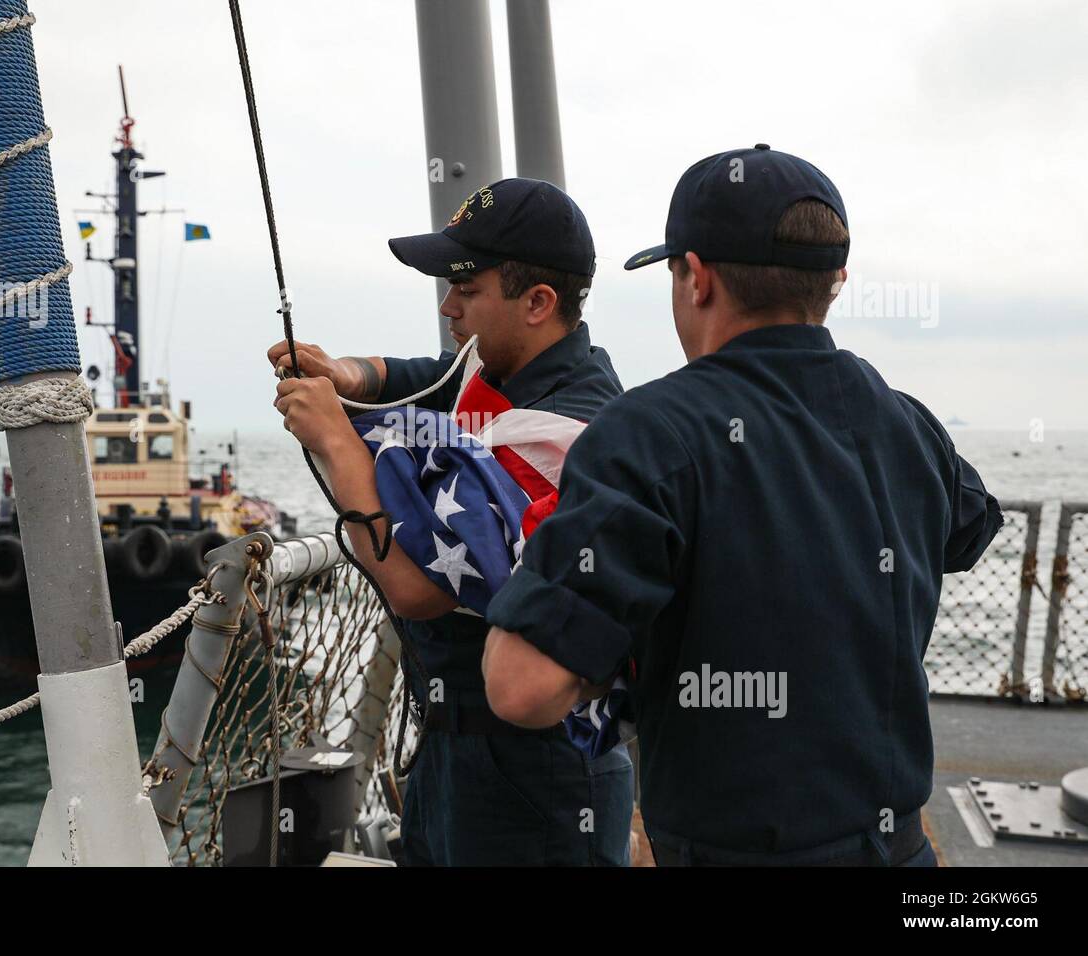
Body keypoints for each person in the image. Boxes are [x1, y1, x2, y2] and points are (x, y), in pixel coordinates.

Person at [481, 146, 1004, 866]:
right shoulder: (905, 422)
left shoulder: (645, 433)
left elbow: (521, 688)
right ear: (833, 281)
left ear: (696, 279)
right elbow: (971, 530)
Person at [270, 177, 634, 866]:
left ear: (537, 302)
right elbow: (427, 376)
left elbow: (418, 588)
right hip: (454, 751)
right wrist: (344, 375)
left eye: (466, 289)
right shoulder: (507, 368)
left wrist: (340, 443)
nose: (449, 306)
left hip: (534, 777)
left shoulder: (562, 434)